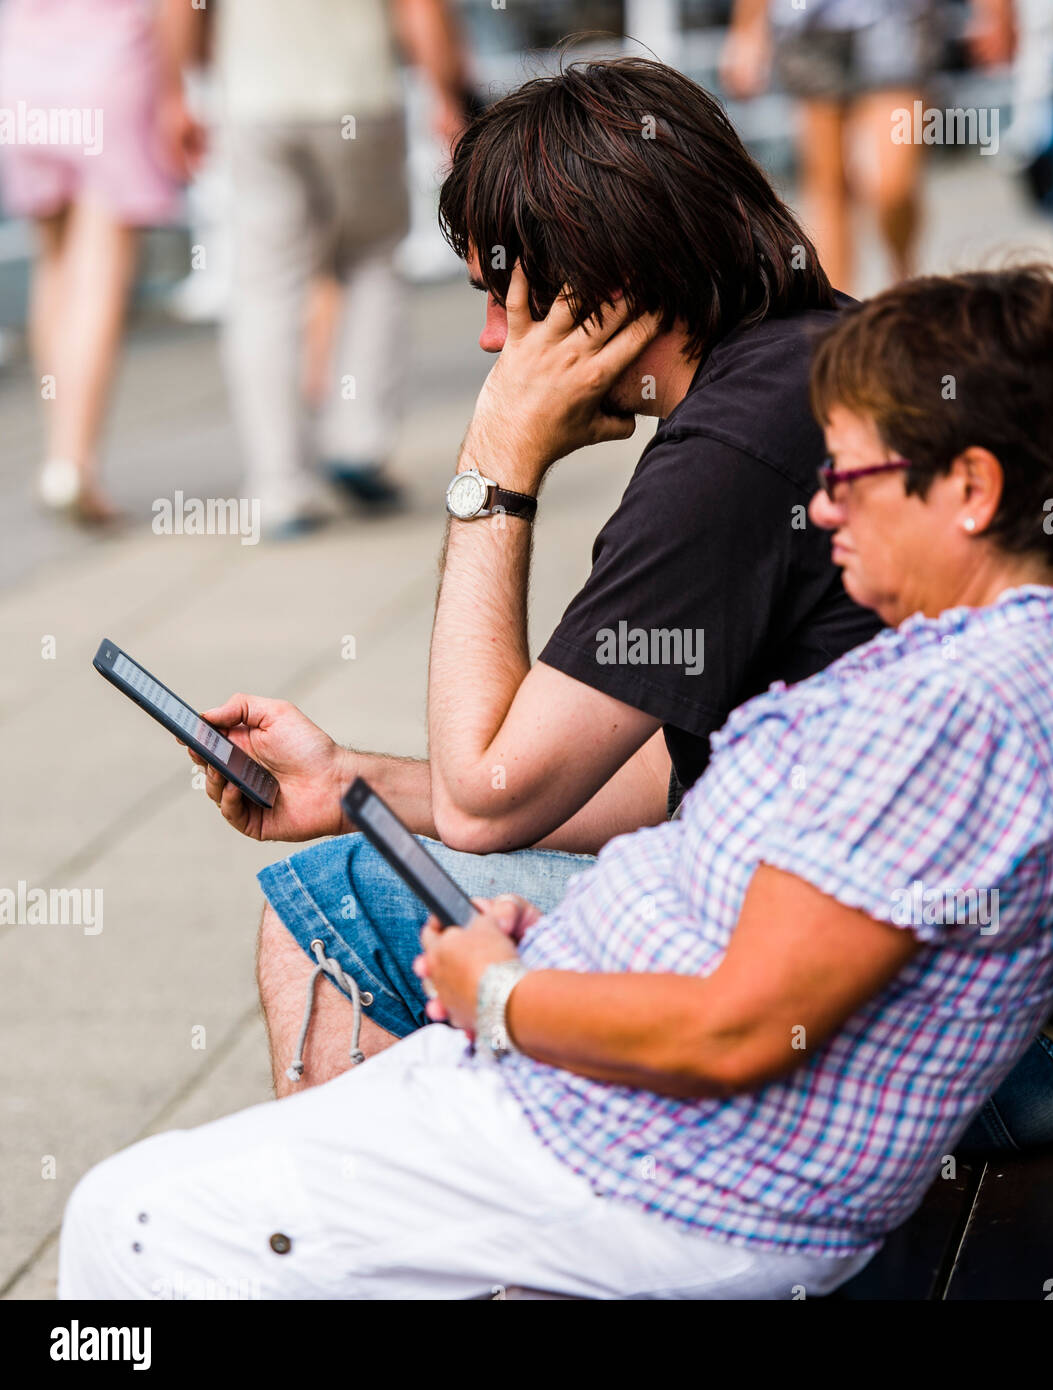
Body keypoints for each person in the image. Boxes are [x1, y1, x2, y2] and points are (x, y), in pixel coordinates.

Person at [59, 266, 1053, 1300]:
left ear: (968, 488)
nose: (821, 509)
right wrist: (549, 950)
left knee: (132, 1219)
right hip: (655, 1138)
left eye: (850, 477)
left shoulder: (946, 719)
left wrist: (505, 994)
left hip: (670, 1176)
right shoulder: (1011, 655)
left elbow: (743, 1029)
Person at [184, 59, 882, 1090]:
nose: (488, 340)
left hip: (878, 1017)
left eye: (499, 297)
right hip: (934, 974)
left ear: (601, 284)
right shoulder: (807, 360)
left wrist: (495, 465)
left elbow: (485, 800)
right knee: (375, 862)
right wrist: (351, 784)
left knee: (332, 904)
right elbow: (653, 784)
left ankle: (350, 1247)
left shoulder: (735, 447)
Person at [156, 0, 471, 537]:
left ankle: (279, 485)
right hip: (359, 95)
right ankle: (358, 442)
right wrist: (444, 92)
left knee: (265, 288)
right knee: (372, 260)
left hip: (257, 101)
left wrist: (173, 95)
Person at [0, 0, 180, 524]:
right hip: (108, 71)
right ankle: (74, 463)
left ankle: (60, 452)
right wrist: (174, 93)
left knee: (53, 267)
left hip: (23, 75)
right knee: (98, 275)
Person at [722, 0, 938, 290]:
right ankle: (838, 309)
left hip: (896, 21)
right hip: (808, 26)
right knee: (828, 183)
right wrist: (746, 30)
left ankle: (904, 277)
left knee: (893, 185)